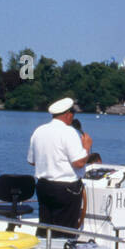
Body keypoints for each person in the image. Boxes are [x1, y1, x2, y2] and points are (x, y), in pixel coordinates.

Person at [28, 97, 91, 237]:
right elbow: (79, 163)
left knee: (45, 226)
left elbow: (32, 161)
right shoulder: (69, 132)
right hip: (65, 188)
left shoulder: (39, 131)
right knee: (65, 229)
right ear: (68, 114)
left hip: (43, 186)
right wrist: (87, 147)